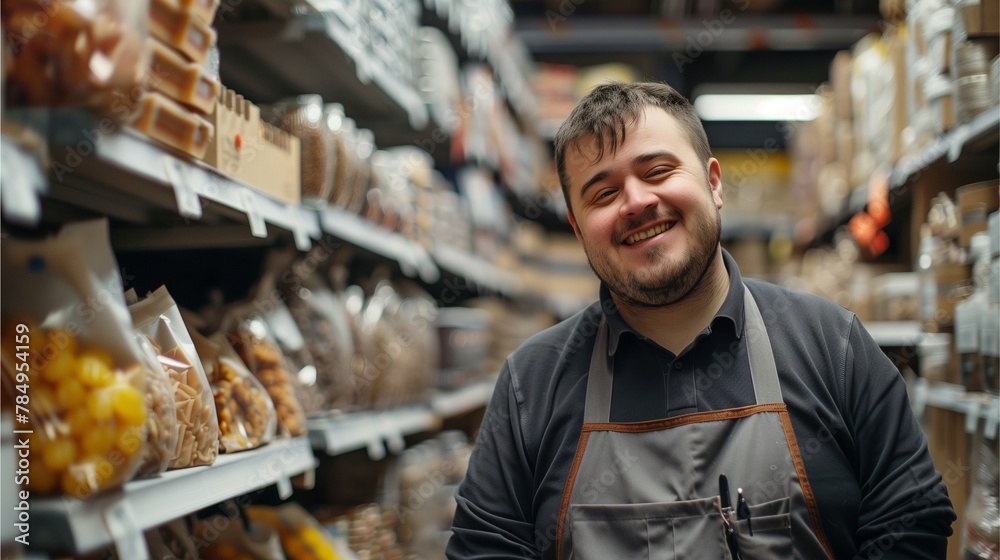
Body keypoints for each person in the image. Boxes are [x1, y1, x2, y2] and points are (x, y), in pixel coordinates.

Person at [446, 81, 956, 559]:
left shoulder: (832, 346)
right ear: (579, 230)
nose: (637, 202)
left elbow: (912, 519)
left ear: (714, 184)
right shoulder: (530, 385)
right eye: (603, 193)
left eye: (658, 171)